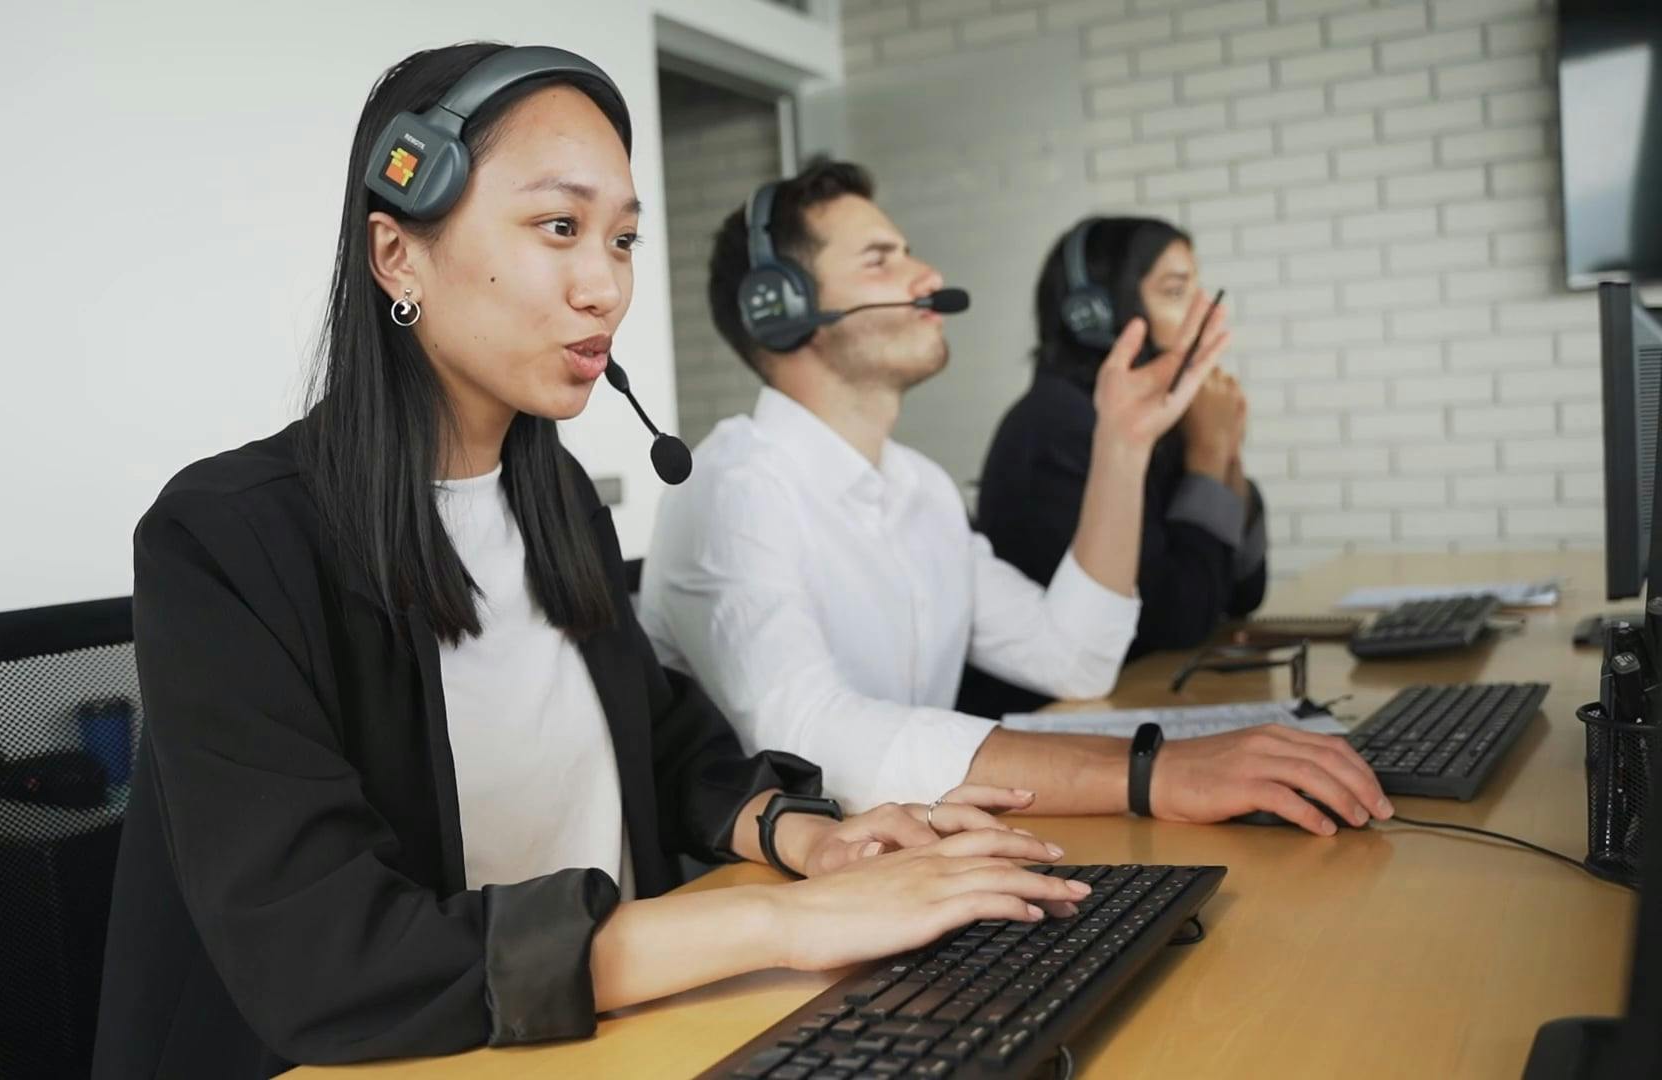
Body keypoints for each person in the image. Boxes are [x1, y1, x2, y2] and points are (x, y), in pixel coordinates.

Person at [92, 45, 1093, 1079]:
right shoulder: (226, 539)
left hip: (611, 1041)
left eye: (621, 239)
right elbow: (330, 955)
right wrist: (789, 927)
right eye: (559, 228)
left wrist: (803, 836)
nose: (605, 285)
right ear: (398, 255)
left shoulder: (554, 494)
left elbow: (652, 737)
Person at [637, 159, 1388, 839]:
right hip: (775, 899)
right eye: (881, 260)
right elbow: (806, 739)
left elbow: (1075, 659)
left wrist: (1121, 447)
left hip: (912, 866)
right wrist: (1152, 772)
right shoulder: (730, 490)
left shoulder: (919, 489)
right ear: (782, 307)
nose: (927, 274)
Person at [975, 216, 1266, 666]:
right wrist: (1207, 456)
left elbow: (1244, 590)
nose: (1203, 310)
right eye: (1175, 291)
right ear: (1095, 314)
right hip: (1069, 714)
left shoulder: (1167, 425)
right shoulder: (1058, 430)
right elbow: (1178, 621)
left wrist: (1226, 450)